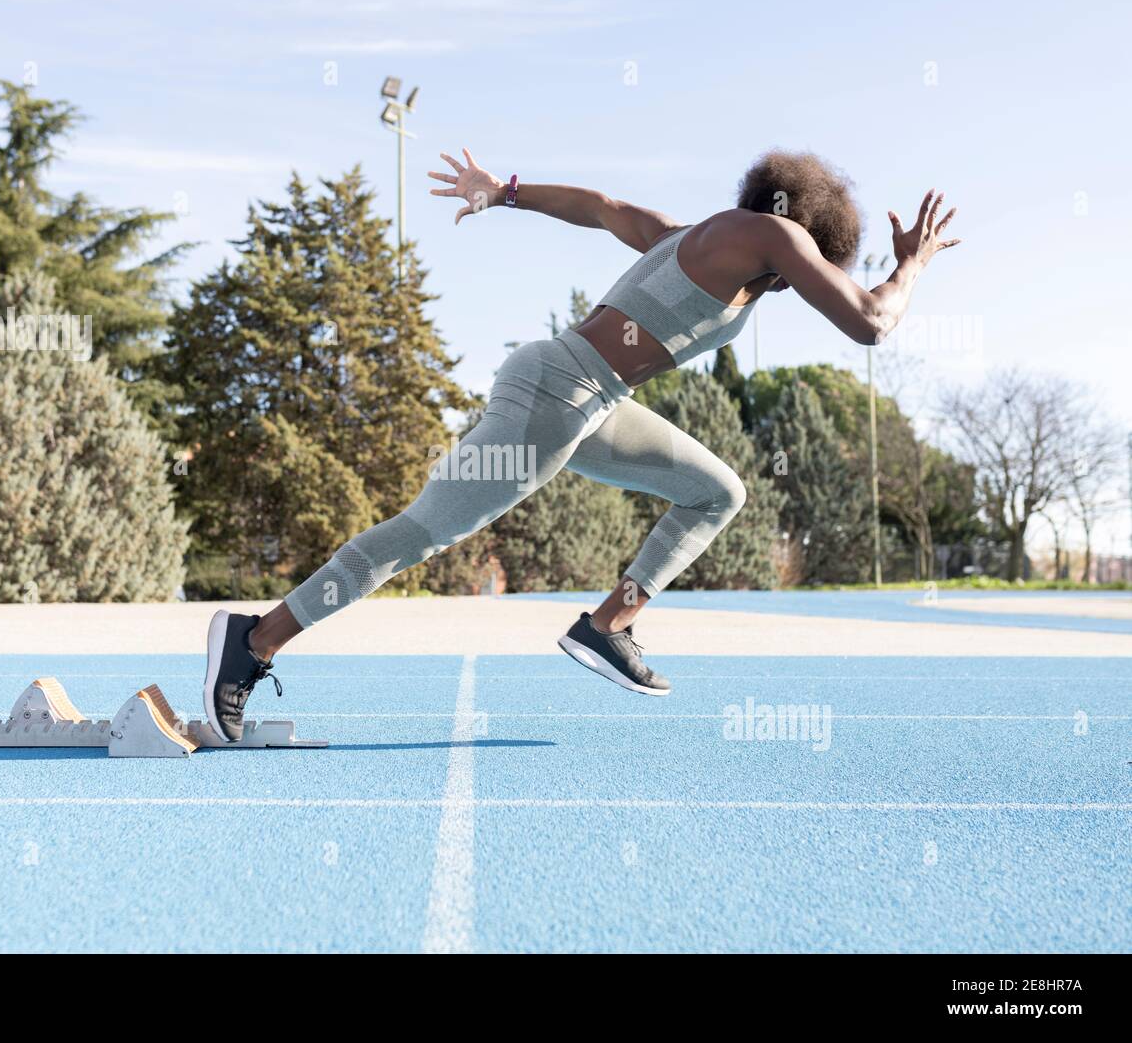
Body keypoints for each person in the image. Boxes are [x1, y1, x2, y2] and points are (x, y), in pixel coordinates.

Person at [202, 147, 960, 740]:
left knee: (715, 491)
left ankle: (608, 625)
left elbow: (604, 209)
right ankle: (255, 641)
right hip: (558, 395)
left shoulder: (690, 237)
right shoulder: (775, 234)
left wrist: (503, 192)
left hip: (592, 400)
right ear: (811, 238)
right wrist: (913, 265)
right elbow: (870, 321)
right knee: (423, 533)